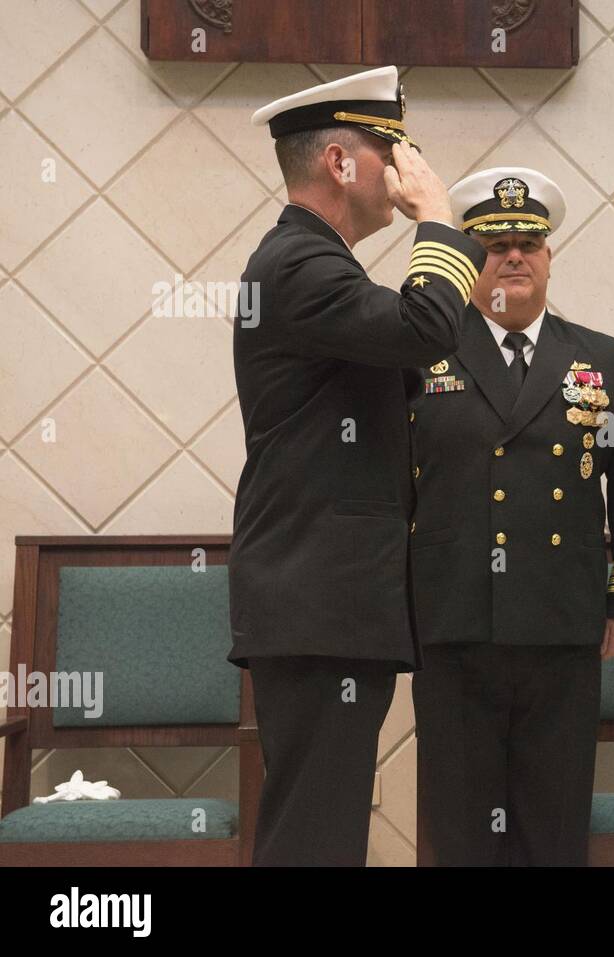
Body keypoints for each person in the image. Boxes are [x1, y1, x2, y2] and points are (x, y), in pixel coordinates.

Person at [228, 66, 486, 865]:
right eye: (392, 149)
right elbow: (425, 326)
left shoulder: (312, 265)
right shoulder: (300, 267)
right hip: (319, 602)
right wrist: (438, 219)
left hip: (328, 602)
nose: (405, 170)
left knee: (323, 831)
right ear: (341, 162)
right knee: (314, 836)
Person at [406, 166, 614, 865]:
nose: (513, 255)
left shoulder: (604, 361)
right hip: (453, 626)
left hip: (562, 628)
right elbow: (391, 488)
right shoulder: (422, 352)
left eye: (529, 241)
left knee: (552, 829)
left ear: (549, 254)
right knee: (461, 831)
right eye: (493, 243)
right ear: (468, 257)